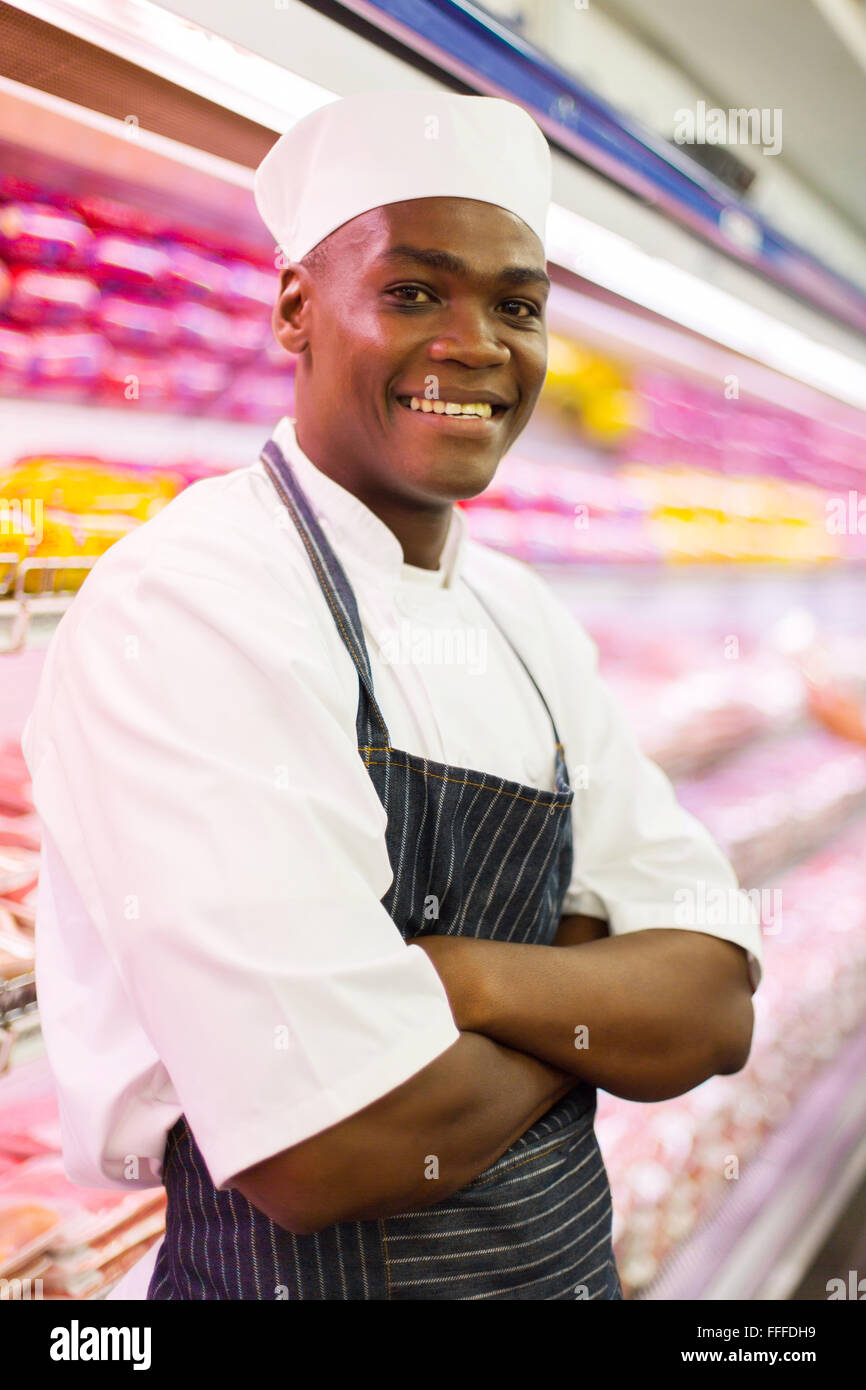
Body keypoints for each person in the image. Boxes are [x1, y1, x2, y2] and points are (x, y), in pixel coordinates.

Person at [22, 89, 762, 1301]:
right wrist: (583, 991)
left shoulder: (522, 617)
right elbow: (332, 1143)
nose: (477, 343)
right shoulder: (190, 604)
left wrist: (455, 978)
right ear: (295, 309)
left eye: (515, 304)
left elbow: (716, 1002)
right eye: (414, 291)